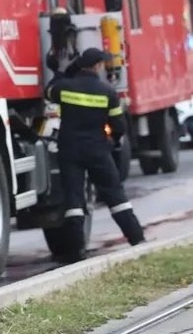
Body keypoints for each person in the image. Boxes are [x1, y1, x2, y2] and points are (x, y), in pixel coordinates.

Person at [45, 46, 145, 263]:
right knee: (115, 196)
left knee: (73, 200)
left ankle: (75, 252)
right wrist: (110, 142)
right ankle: (137, 239)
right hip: (98, 150)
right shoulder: (107, 91)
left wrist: (63, 71)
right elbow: (119, 126)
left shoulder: (65, 87)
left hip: (69, 149)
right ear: (98, 66)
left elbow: (49, 91)